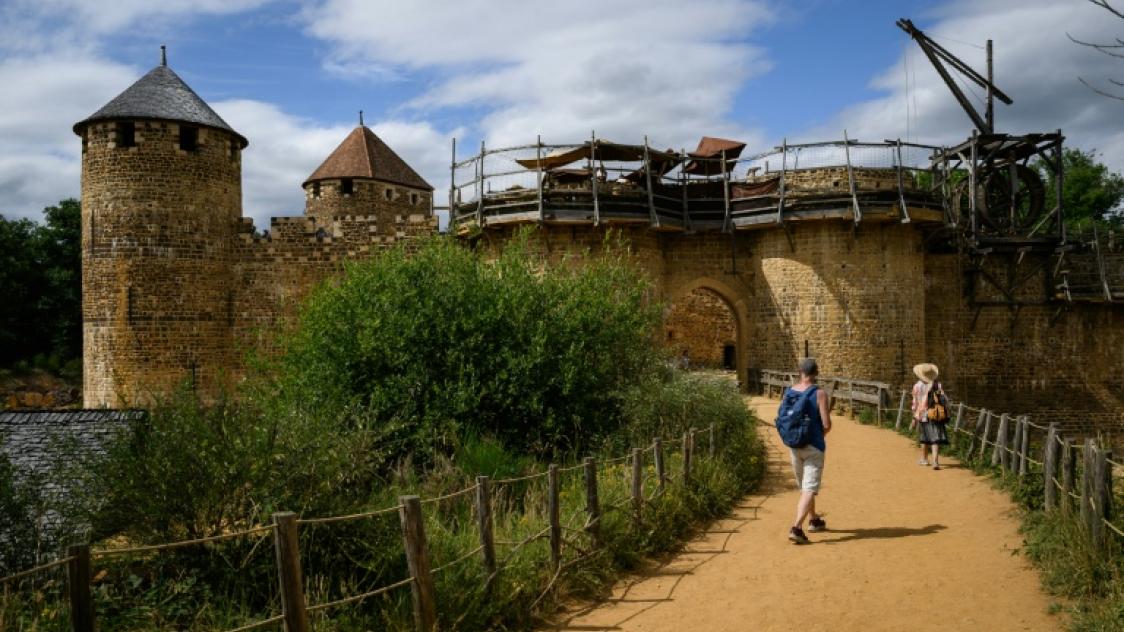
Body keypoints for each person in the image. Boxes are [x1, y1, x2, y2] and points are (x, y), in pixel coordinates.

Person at [785, 357, 832, 544]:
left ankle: (814, 520)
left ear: (800, 372)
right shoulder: (819, 393)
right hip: (813, 447)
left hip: (794, 446)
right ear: (816, 373)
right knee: (809, 488)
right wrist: (818, 437)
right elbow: (826, 424)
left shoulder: (790, 391)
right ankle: (796, 528)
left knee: (805, 488)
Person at [910, 363, 949, 470]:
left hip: (923, 415)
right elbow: (945, 399)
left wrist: (914, 417)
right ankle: (935, 462)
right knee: (935, 438)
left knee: (925, 438)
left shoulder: (917, 386)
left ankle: (924, 459)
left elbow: (915, 403)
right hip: (936, 413)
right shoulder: (937, 385)